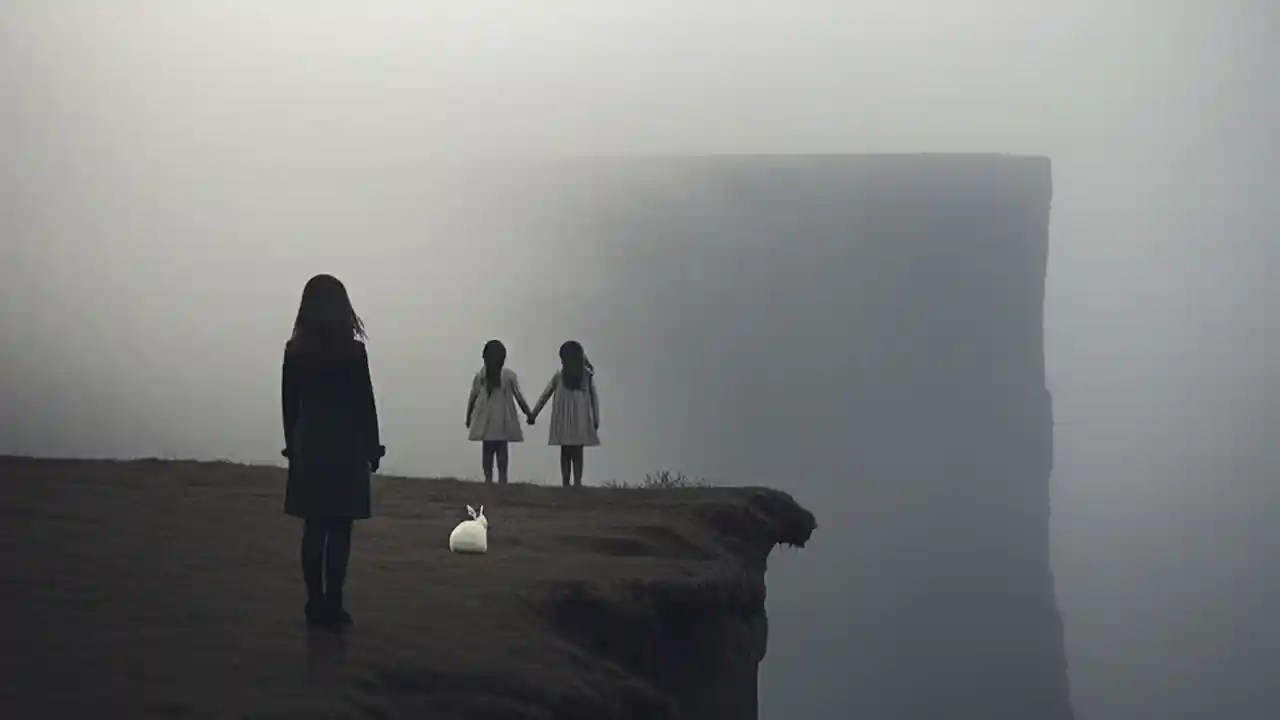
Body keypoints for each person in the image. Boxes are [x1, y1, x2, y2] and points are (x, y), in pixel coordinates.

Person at [281, 274, 385, 627]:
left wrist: (291, 446)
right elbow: (365, 403)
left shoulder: (295, 351)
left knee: (314, 527)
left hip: (309, 444)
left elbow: (289, 405)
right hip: (348, 445)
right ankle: (334, 604)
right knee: (340, 527)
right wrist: (373, 447)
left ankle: (313, 601)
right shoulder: (353, 352)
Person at [528, 341, 600, 487]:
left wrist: (533, 414)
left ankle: (566, 482)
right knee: (577, 452)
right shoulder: (586, 376)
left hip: (563, 419)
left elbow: (545, 396)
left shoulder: (560, 376)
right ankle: (577, 482)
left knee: (566, 452)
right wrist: (595, 419)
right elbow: (594, 399)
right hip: (580, 419)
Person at [465, 339, 533, 485]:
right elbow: (519, 398)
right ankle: (503, 480)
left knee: (487, 452)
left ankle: (488, 480)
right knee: (502, 452)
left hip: (486, 421)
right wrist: (529, 414)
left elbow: (472, 398)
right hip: (503, 421)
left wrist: (468, 417)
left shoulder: (481, 376)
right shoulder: (508, 376)